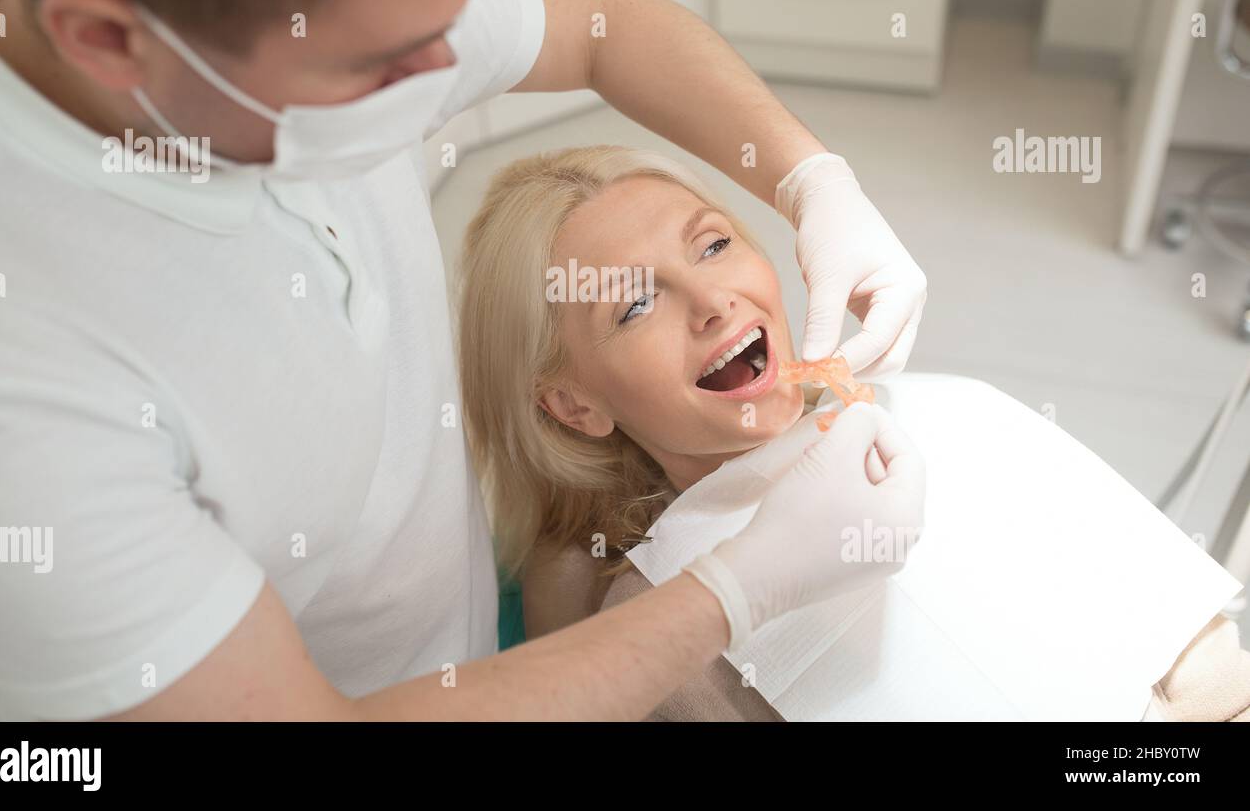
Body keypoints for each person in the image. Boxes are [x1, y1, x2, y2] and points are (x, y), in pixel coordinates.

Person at [0, 0, 926, 720]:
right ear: (110, 39)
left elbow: (596, 22)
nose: (449, 72)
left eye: (450, 14)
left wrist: (809, 177)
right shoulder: (1, 390)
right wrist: (731, 592)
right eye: (378, 63)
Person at [459, 145, 1250, 721]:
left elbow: (1211, 674)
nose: (712, 300)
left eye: (712, 244)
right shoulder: (657, 617)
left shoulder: (953, 413)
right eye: (633, 305)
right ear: (574, 406)